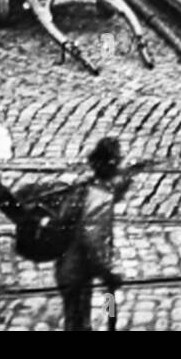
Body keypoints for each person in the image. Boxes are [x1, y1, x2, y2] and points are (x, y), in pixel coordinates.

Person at [54, 138, 138, 332]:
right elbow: (90, 240)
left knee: (75, 318)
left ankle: (110, 323)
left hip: (68, 267)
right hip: (79, 269)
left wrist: (131, 173)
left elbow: (118, 185)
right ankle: (111, 325)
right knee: (88, 316)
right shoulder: (100, 199)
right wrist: (108, 272)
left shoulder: (83, 187)